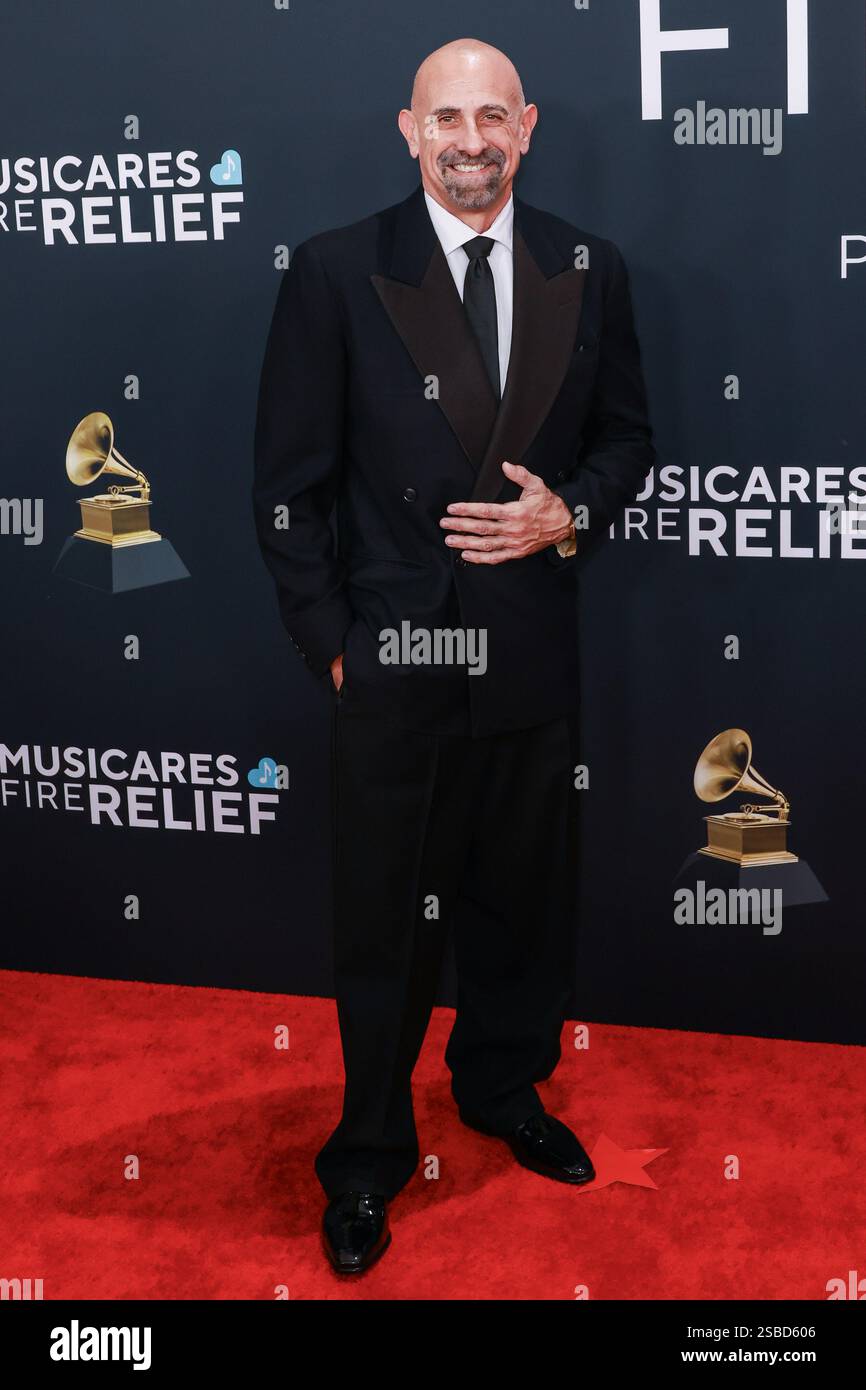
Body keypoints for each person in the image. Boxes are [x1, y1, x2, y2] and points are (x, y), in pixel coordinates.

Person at [253, 37, 654, 1274]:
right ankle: (368, 1155)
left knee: (521, 908)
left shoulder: (586, 266)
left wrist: (567, 511)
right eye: (446, 119)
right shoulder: (334, 272)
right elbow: (286, 488)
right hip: (395, 665)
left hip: (531, 654)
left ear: (525, 126)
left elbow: (630, 442)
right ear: (407, 129)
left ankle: (499, 1089)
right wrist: (333, 649)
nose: (469, 140)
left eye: (492, 116)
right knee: (384, 927)